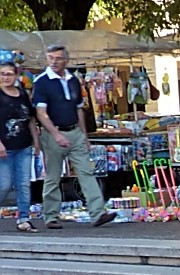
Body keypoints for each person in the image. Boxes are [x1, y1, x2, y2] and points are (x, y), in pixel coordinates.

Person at [32, 44, 116, 227]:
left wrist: (84, 135)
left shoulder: (72, 80)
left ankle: (97, 213)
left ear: (66, 60)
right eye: (51, 57)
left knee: (87, 171)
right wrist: (55, 134)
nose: (54, 61)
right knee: (53, 176)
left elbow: (79, 109)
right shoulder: (42, 81)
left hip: (74, 132)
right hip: (53, 133)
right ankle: (51, 216)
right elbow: (41, 113)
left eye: (58, 58)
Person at [0, 62, 38, 231]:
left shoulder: (22, 93)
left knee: (23, 184)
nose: (5, 77)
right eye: (2, 74)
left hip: (23, 145)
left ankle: (23, 218)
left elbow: (30, 118)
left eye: (9, 74)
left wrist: (36, 141)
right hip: (4, 147)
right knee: (5, 184)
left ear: (16, 76)